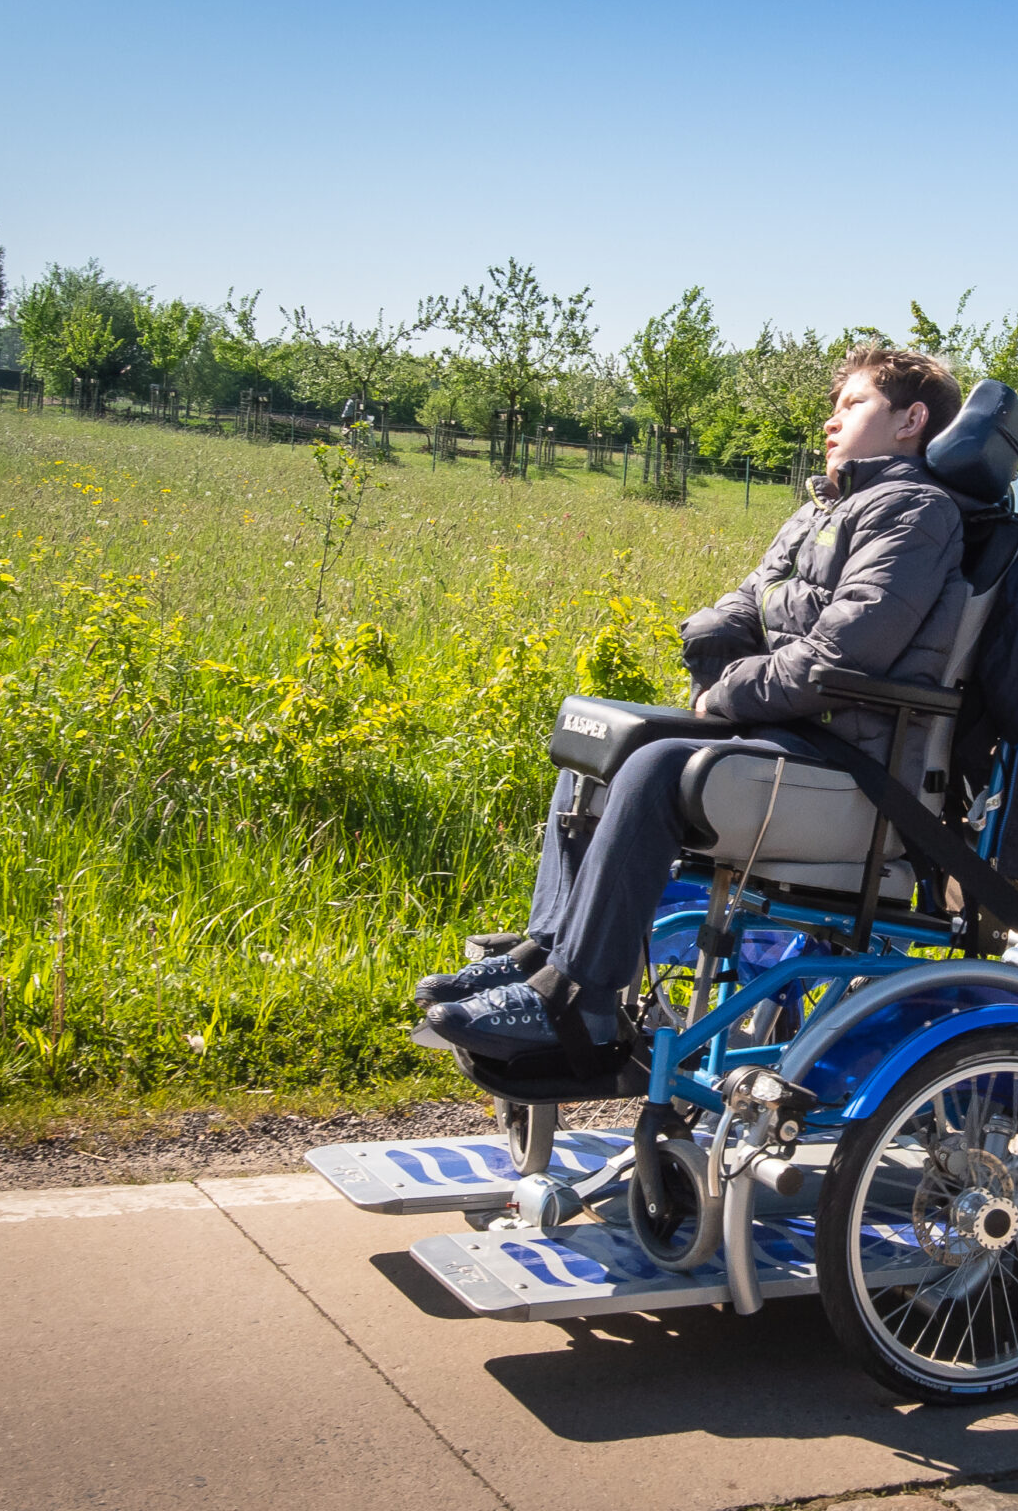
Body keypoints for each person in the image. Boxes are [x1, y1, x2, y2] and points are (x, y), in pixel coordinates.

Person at [415, 346, 970, 1065]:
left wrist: (727, 687)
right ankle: (546, 955)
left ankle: (581, 1006)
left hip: (857, 769)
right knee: (596, 742)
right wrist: (718, 635)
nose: (831, 422)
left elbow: (842, 655)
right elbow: (745, 603)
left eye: (853, 405)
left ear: (912, 419)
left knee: (653, 771)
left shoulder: (917, 512)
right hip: (789, 735)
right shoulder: (823, 508)